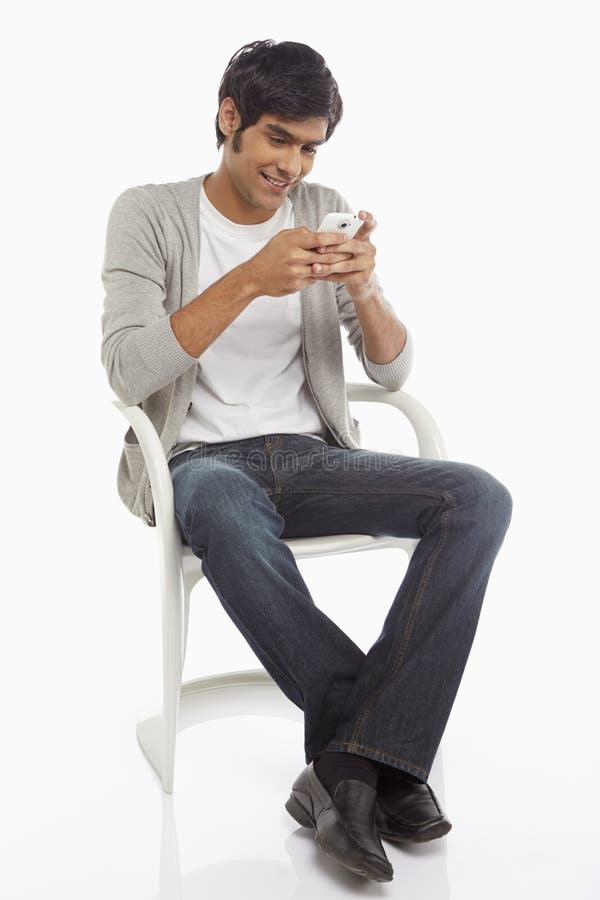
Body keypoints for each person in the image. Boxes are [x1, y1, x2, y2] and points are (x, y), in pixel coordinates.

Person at [100, 39, 513, 883]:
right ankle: (374, 758)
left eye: (310, 147)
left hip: (312, 458)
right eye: (278, 139)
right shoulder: (148, 213)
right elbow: (126, 368)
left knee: (478, 497)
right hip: (199, 461)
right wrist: (248, 279)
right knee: (215, 498)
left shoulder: (323, 204)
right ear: (230, 120)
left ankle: (342, 765)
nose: (293, 165)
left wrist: (364, 286)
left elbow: (392, 370)